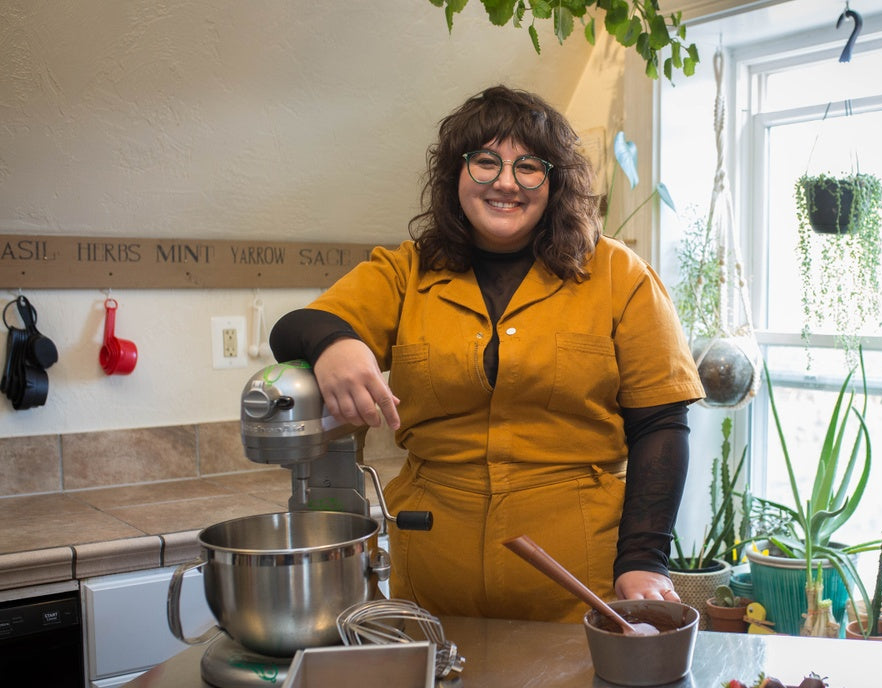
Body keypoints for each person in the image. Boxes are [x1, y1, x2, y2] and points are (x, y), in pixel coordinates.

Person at [270, 85, 703, 623]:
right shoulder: (408, 271)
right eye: (485, 162)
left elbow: (661, 423)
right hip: (430, 587)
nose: (505, 182)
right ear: (456, 175)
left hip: (577, 587)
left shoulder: (620, 276)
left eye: (528, 166)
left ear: (555, 181)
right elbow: (297, 327)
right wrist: (335, 343)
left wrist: (645, 558)